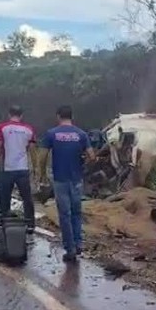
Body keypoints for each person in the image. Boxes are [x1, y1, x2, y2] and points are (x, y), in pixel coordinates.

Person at [40, 105, 95, 262]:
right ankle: (78, 244)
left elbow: (42, 156)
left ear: (58, 116)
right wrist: (82, 164)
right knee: (77, 213)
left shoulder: (51, 134)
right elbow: (92, 156)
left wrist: (42, 174)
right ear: (72, 117)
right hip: (77, 180)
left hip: (60, 180)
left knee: (65, 215)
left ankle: (70, 249)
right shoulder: (81, 134)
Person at [0, 104, 37, 231]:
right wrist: (35, 168)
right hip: (23, 168)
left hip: (8, 168)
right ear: (21, 115)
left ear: (9, 114)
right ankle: (30, 224)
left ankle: (5, 222)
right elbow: (33, 151)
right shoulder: (29, 129)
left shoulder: (3, 127)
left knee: (4, 196)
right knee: (27, 197)